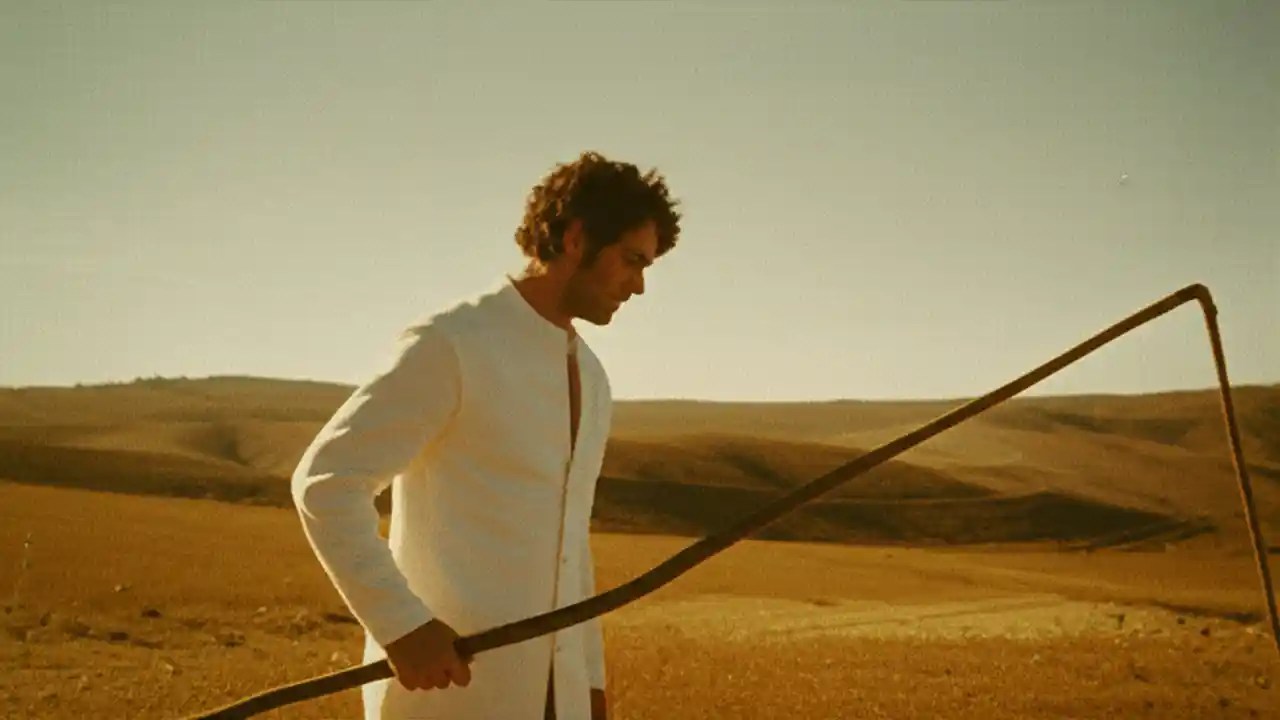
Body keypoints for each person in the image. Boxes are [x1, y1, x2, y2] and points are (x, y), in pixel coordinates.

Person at [290, 150, 682, 720]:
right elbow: (326, 482)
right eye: (630, 260)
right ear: (576, 239)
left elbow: (571, 548)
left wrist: (589, 686)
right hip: (450, 698)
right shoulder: (454, 344)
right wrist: (402, 625)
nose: (639, 285)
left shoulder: (591, 378)